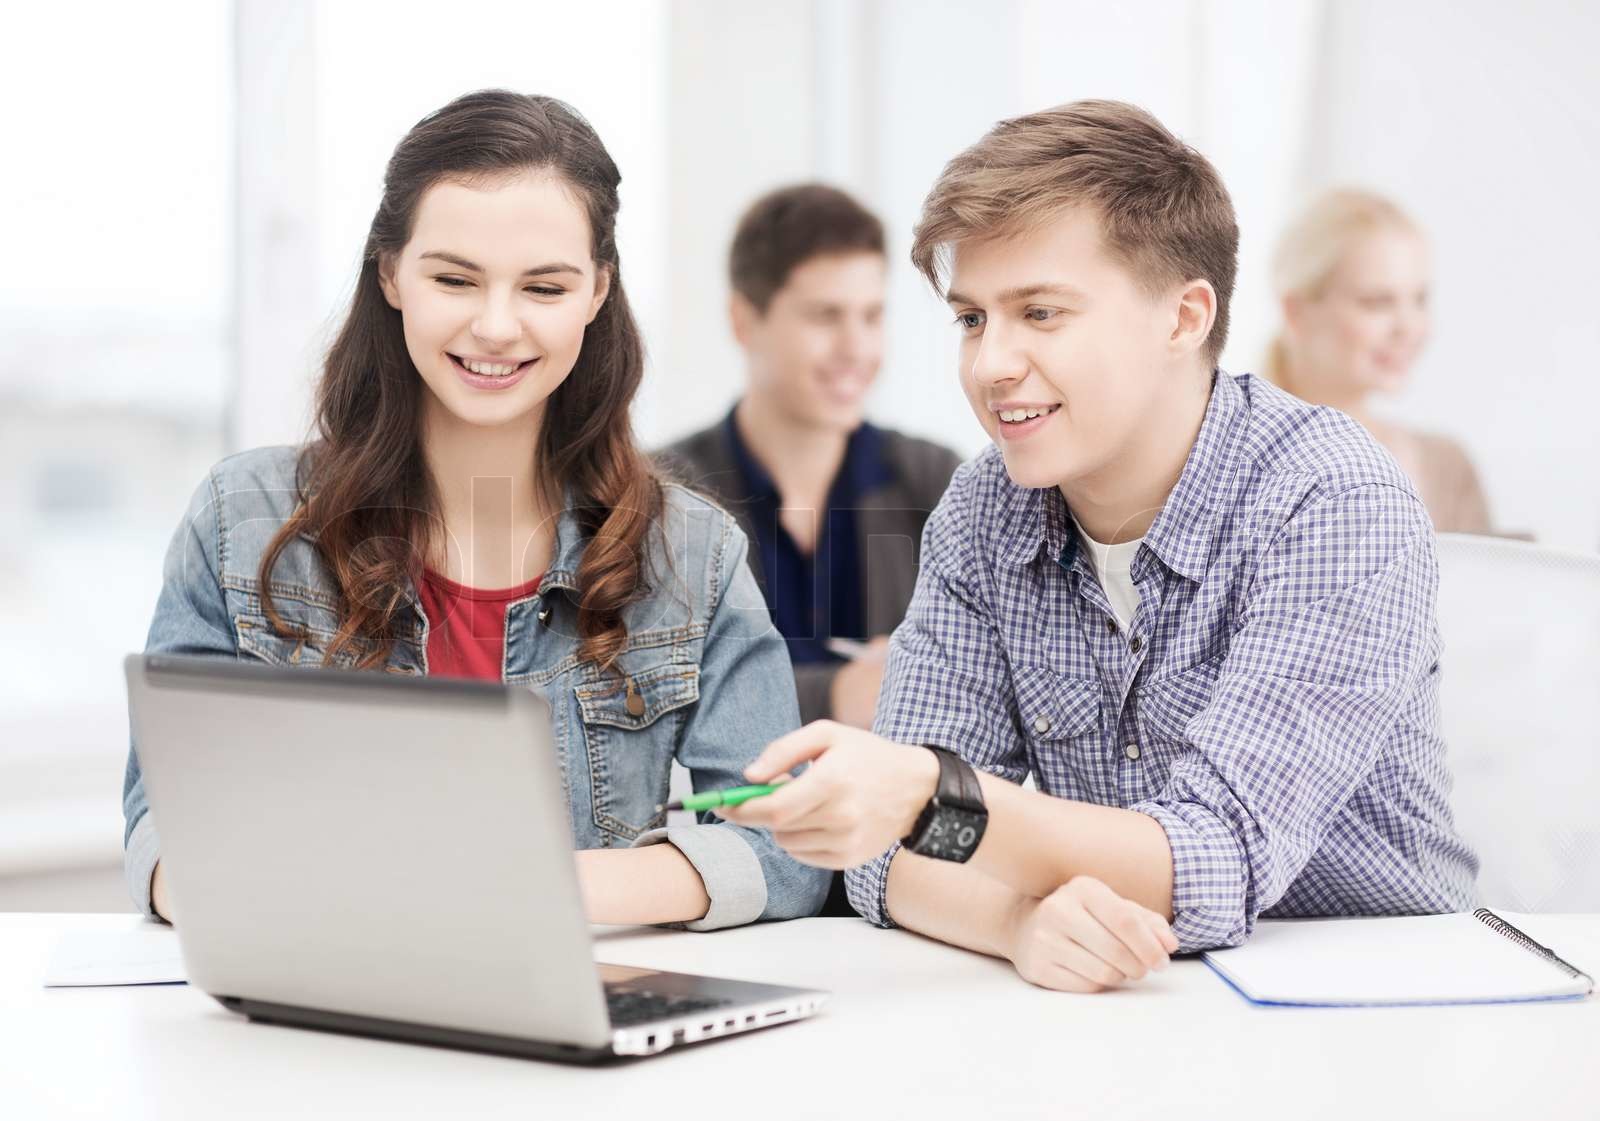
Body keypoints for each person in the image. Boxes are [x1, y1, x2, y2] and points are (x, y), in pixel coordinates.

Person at [717, 100, 1479, 992]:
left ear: (1184, 317)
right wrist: (1016, 919)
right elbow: (890, 859)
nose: (990, 363)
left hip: (1389, 997)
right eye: (971, 318)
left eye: (1040, 313)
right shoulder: (984, 506)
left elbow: (1211, 857)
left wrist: (936, 794)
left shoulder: (1331, 499)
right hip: (1139, 1001)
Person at [121, 90, 828, 931]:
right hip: (320, 1015)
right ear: (390, 274)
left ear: (598, 291)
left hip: (575, 1019)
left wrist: (517, 891)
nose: (496, 325)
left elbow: (781, 849)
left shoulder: (691, 553)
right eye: (455, 278)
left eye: (543, 286)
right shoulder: (245, 521)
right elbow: (164, 831)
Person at [659, 184, 961, 730]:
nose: (857, 350)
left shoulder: (934, 481)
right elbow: (659, 689)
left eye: (871, 317)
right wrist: (841, 694)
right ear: (744, 322)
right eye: (826, 316)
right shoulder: (664, 492)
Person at [1264, 189, 1491, 534]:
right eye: (1376, 302)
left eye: (1419, 300)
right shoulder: (1229, 459)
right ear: (1295, 312)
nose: (1409, 327)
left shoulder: (1447, 468)